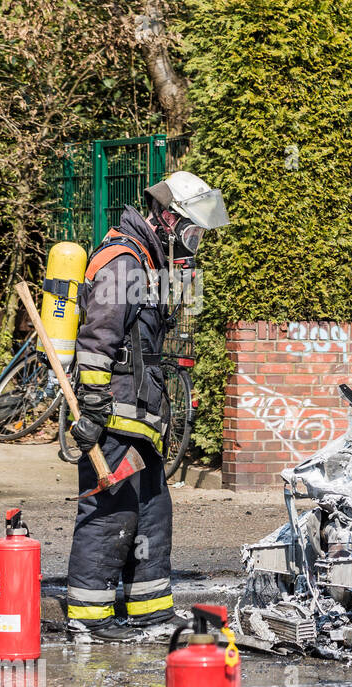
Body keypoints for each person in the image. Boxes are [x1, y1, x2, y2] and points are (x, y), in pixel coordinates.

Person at [65, 171, 229, 641]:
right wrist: (93, 408)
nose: (196, 241)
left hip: (141, 414)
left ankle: (149, 612)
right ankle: (89, 618)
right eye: (192, 230)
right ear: (166, 218)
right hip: (115, 414)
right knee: (110, 512)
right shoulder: (123, 262)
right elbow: (98, 340)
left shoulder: (147, 260)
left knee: (152, 511)